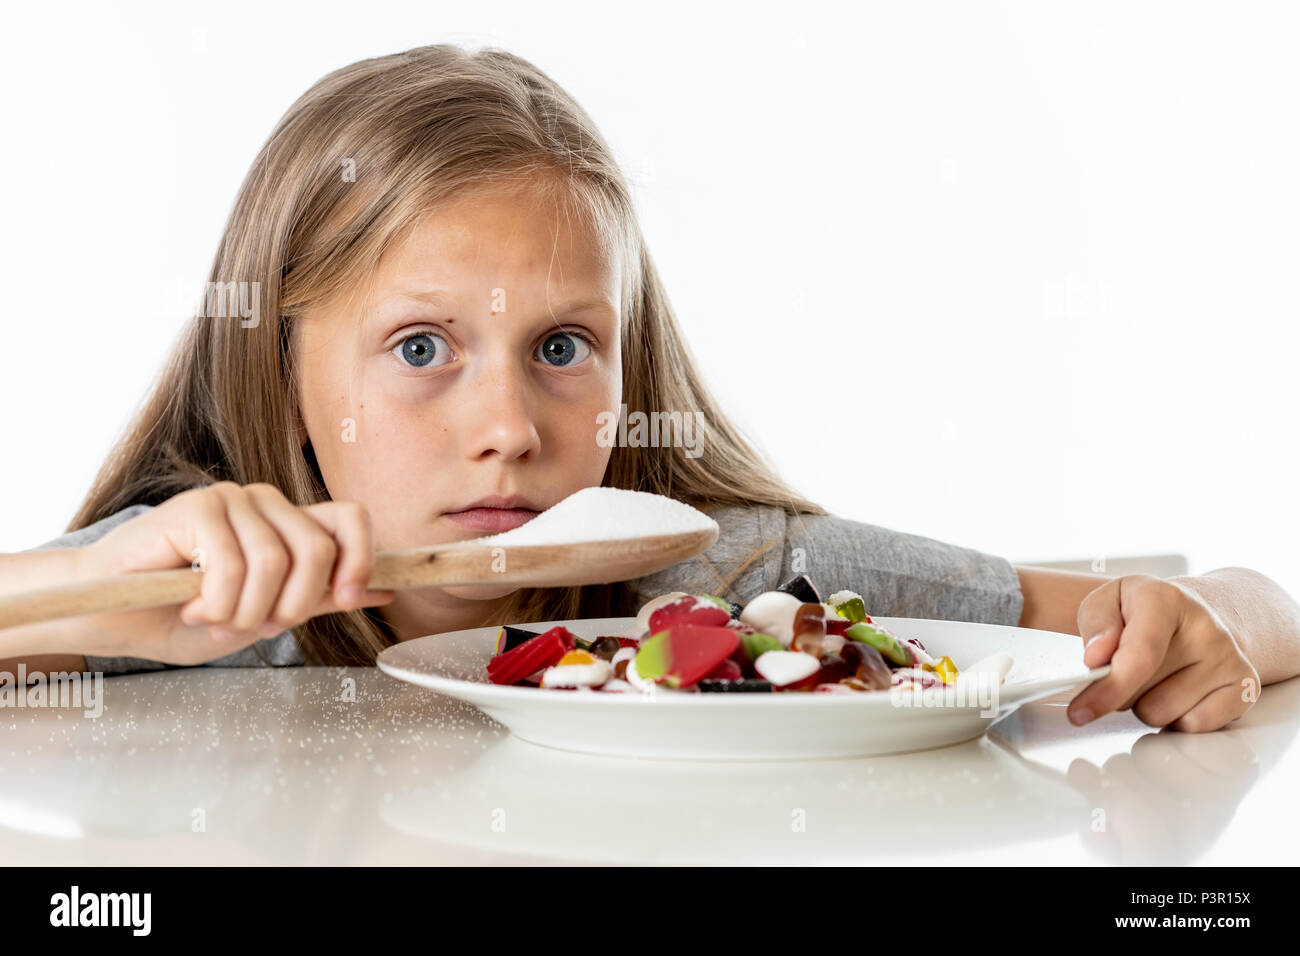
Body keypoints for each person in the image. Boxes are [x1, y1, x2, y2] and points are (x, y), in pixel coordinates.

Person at [2, 45, 1296, 733]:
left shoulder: (740, 588)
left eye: (563, 349)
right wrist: (68, 598)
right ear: (281, 385)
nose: (509, 431)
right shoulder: (182, 603)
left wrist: (1218, 622)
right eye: (419, 351)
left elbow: (1212, 611)